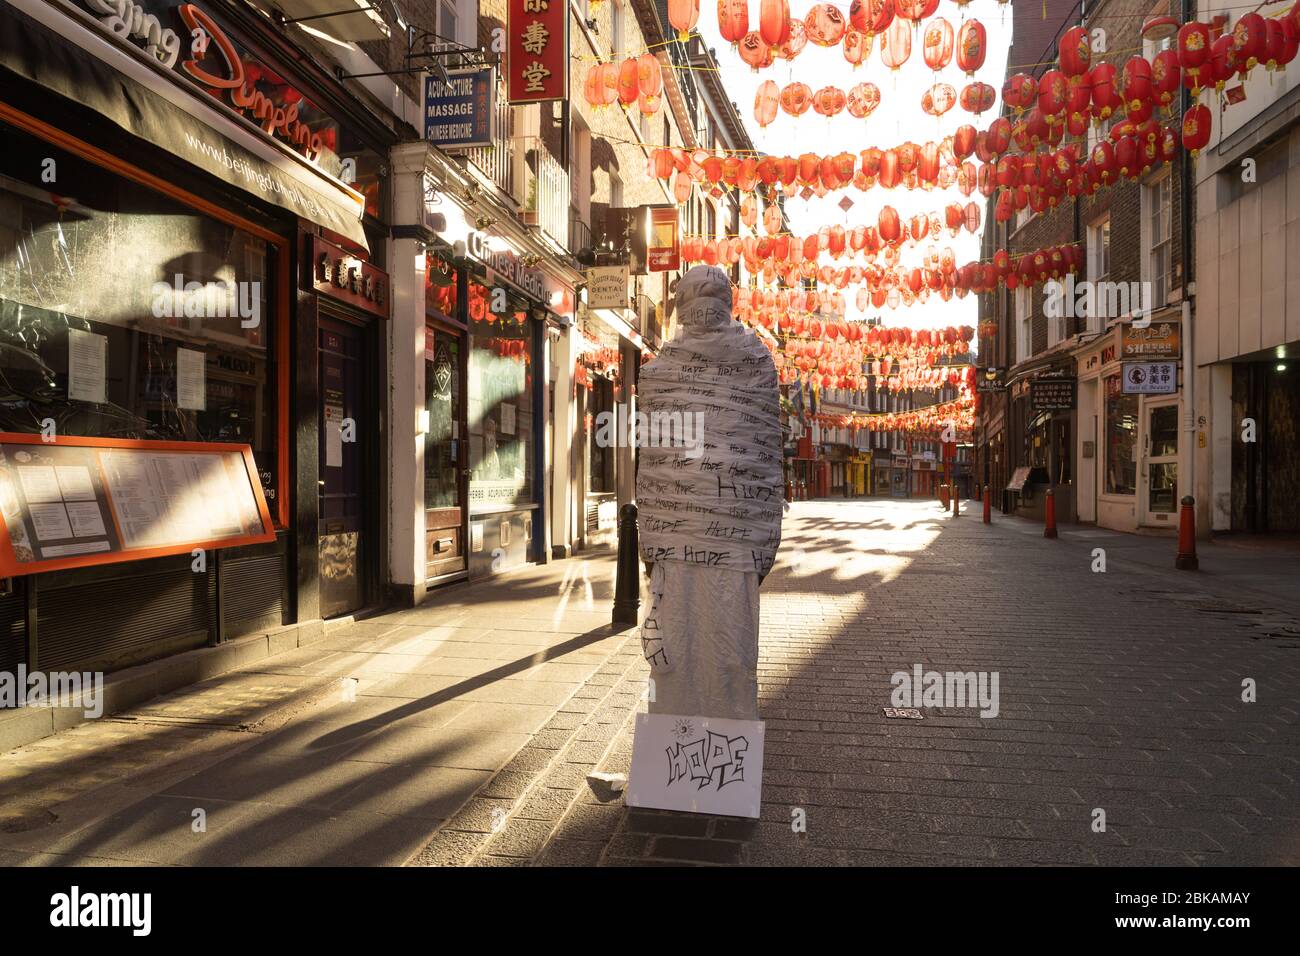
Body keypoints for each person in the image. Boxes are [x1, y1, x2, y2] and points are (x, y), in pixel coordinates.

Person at [634, 265, 783, 722]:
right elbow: (768, 458)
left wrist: (651, 544)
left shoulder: (659, 371)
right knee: (731, 654)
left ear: (680, 307)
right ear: (727, 302)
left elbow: (651, 464)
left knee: (675, 653)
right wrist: (762, 545)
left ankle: (671, 753)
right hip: (735, 543)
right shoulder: (757, 362)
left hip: (674, 542)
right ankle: (730, 759)